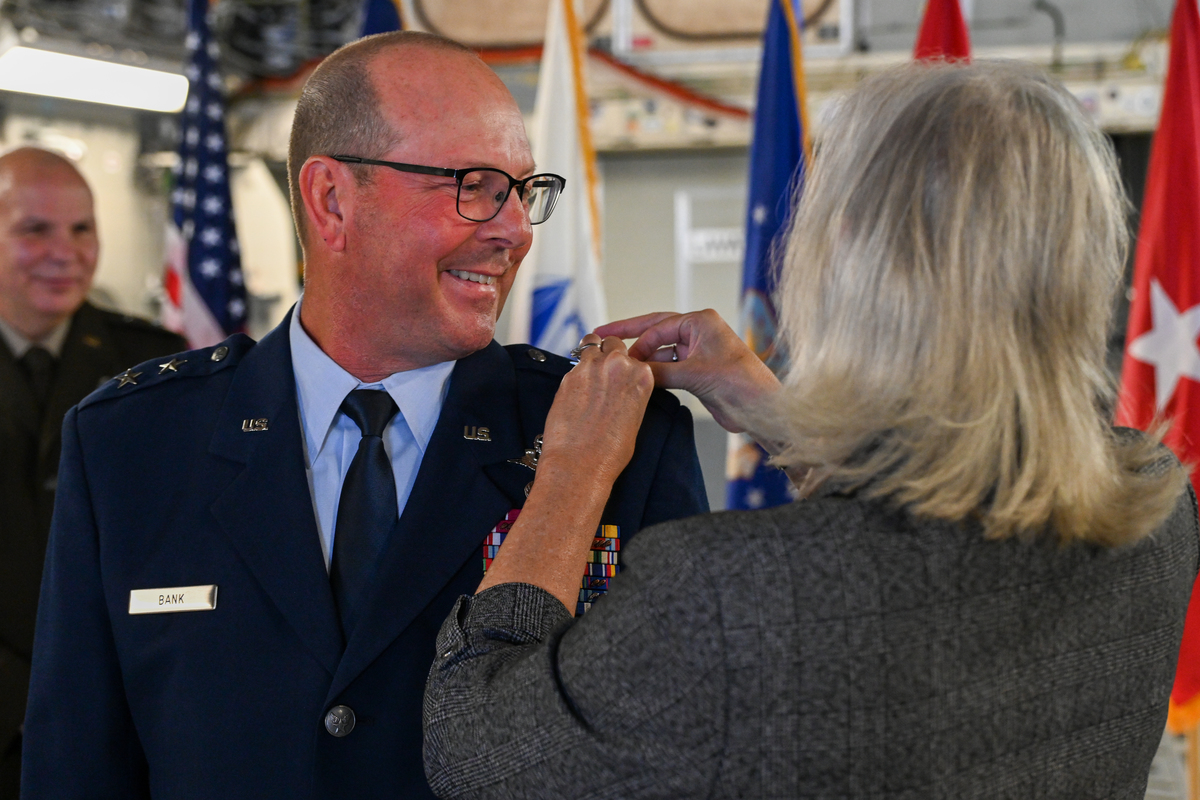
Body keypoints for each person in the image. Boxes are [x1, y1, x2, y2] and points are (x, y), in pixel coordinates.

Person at [423, 61, 1199, 799]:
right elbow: (958, 507)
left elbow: (482, 753)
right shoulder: (1161, 512)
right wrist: (780, 415)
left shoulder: (727, 594)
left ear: (851, 256)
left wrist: (571, 475)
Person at [21, 32, 707, 800]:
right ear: (332, 200)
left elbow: (674, 759)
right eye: (473, 184)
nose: (515, 229)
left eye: (523, 189)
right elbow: (74, 766)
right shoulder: (130, 444)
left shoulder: (622, 440)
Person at [0, 147, 185, 799]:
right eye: (35, 229)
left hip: (107, 724)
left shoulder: (155, 368)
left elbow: (174, 553)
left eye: (82, 229)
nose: (66, 252)